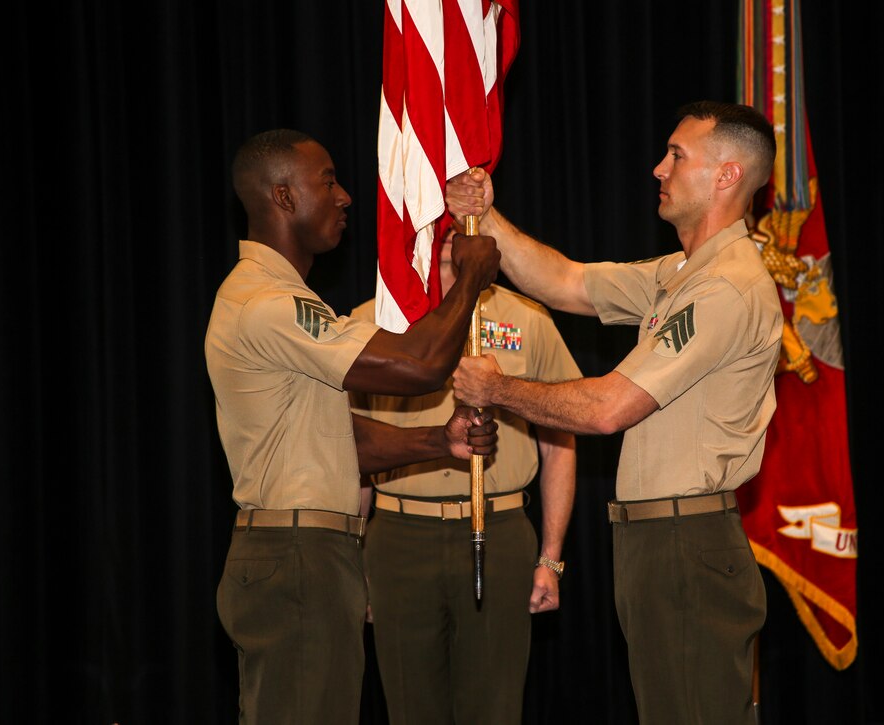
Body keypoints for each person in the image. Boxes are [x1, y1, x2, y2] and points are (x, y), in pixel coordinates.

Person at [446, 101, 783, 724]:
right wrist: (484, 215)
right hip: (660, 538)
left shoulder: (725, 287)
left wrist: (499, 388)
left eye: (677, 156)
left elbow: (606, 409)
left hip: (687, 543)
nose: (658, 169)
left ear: (727, 175)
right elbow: (566, 281)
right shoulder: (681, 273)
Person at [204, 128, 502, 724]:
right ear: (283, 197)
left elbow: (337, 437)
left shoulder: (281, 298)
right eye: (329, 181)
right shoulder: (267, 302)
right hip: (296, 554)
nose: (345, 197)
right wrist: (469, 279)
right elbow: (418, 367)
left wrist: (433, 442)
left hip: (305, 551)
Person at [349, 226, 581, 724]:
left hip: (498, 534)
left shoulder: (527, 320)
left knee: (494, 708)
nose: (450, 226)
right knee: (410, 708)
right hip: (397, 538)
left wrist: (551, 558)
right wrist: (356, 557)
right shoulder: (372, 320)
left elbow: (560, 443)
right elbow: (355, 447)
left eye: (460, 213)